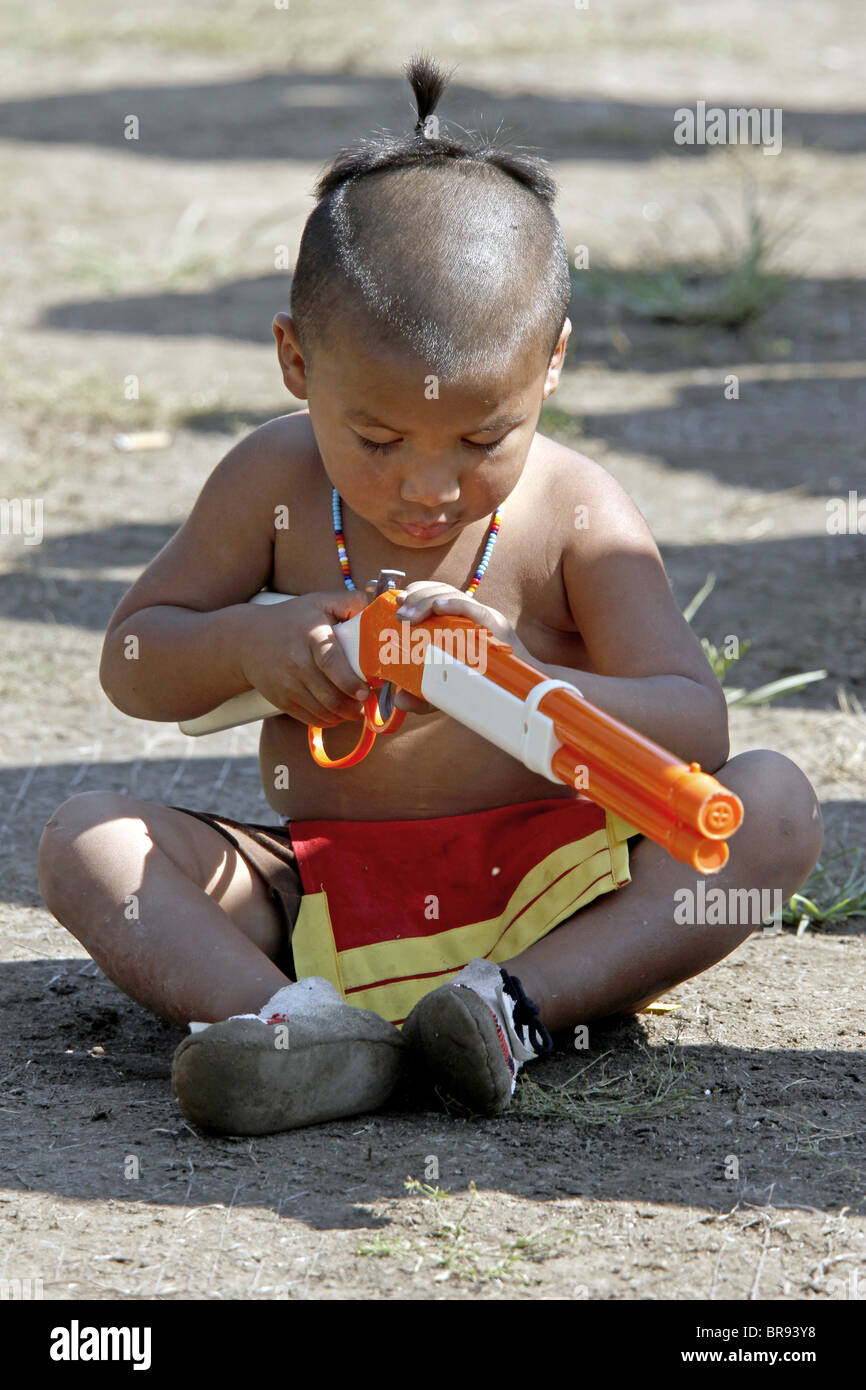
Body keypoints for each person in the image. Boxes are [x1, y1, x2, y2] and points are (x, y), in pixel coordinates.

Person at [37, 55, 823, 1135]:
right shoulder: (269, 481)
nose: (427, 485)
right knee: (87, 839)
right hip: (321, 887)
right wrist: (249, 641)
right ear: (295, 363)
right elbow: (134, 661)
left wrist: (525, 684)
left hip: (551, 888)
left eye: (482, 437)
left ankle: (514, 1010)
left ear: (550, 366)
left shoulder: (571, 509)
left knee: (773, 801)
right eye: (375, 438)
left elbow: (695, 721)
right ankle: (297, 1031)